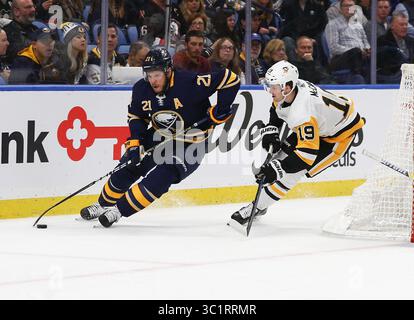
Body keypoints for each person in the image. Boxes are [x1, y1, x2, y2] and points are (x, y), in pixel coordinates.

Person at [79, 47, 240, 228]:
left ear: (168, 70)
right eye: (149, 75)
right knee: (129, 165)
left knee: (163, 175)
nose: (152, 80)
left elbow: (230, 79)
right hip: (159, 134)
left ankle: (118, 211)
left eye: (156, 75)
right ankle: (103, 205)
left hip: (192, 142)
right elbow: (137, 117)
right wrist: (136, 143)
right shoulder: (141, 89)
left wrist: (221, 110)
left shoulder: (188, 83)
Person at [230, 60, 365, 226]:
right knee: (278, 161)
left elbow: (306, 156)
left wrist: (280, 168)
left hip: (336, 137)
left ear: (286, 87)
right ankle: (263, 203)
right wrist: (272, 127)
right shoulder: (290, 90)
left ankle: (255, 208)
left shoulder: (302, 113)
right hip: (321, 124)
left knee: (290, 174)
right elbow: (276, 108)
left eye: (274, 86)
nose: (270, 90)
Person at [324, 0, 371, 83]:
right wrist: (355, 51)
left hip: (360, 56)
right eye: (346, 6)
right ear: (341, 9)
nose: (349, 8)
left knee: (376, 53)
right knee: (355, 51)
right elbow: (334, 48)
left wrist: (367, 49)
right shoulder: (332, 24)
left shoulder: (358, 25)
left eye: (351, 6)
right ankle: (361, 72)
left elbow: (365, 41)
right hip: (341, 59)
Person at [377, 12, 414, 82]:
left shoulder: (411, 41)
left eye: (406, 24)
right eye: (401, 25)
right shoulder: (382, 41)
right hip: (391, 77)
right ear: (392, 26)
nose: (405, 27)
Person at [3, 0, 37, 64]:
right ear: (16, 12)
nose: (33, 9)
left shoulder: (36, 28)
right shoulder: (7, 33)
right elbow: (21, 54)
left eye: (33, 6)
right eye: (28, 7)